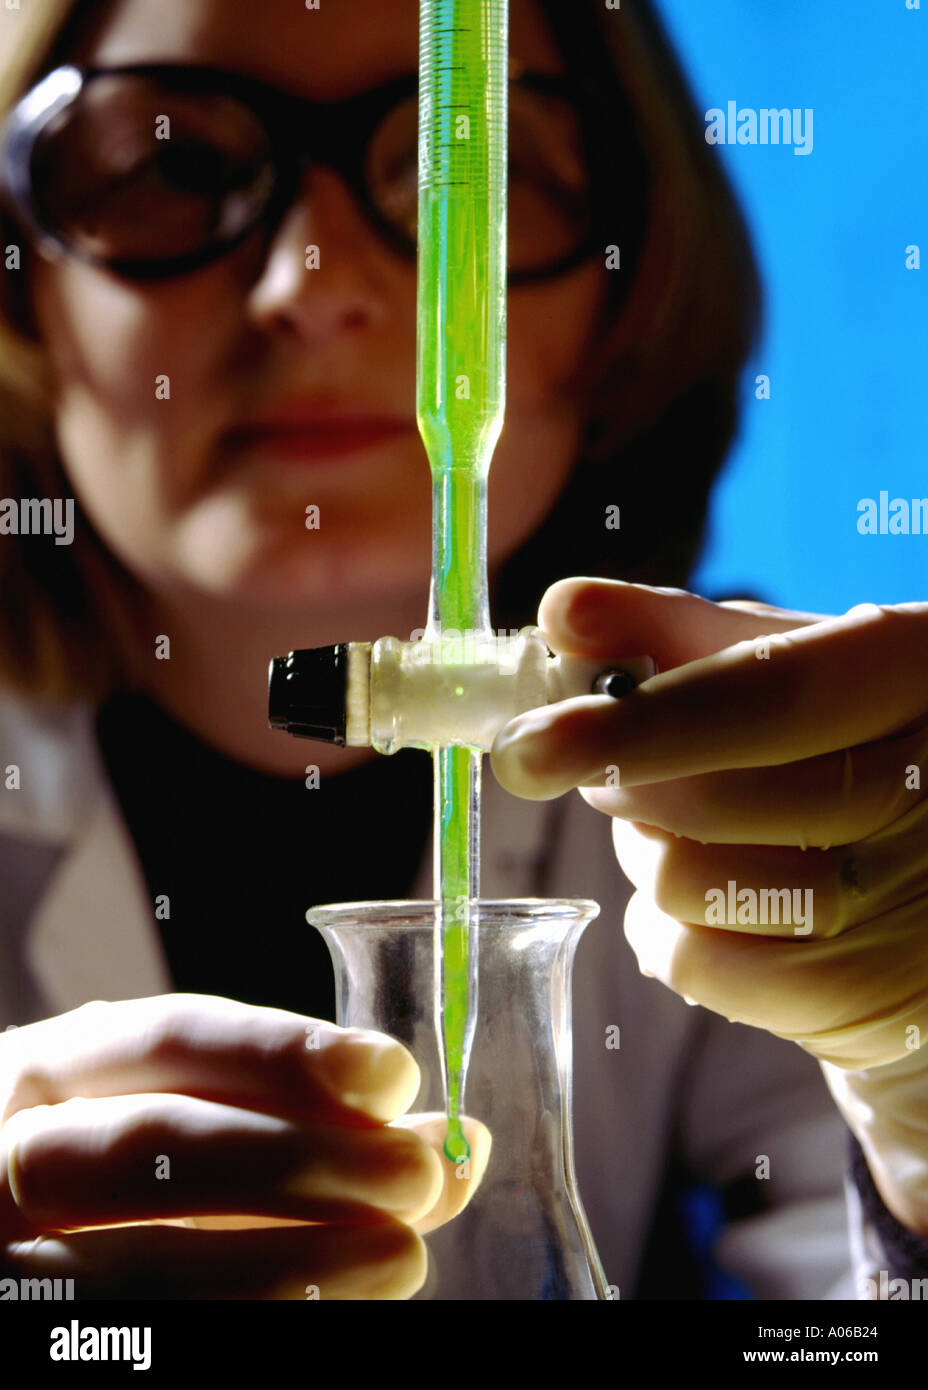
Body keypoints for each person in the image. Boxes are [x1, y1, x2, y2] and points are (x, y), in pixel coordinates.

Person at [0, 0, 925, 1301]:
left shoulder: (761, 800)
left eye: (451, 169)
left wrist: (917, 1135)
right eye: (175, 166)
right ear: (21, 281)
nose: (314, 289)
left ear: (628, 278)